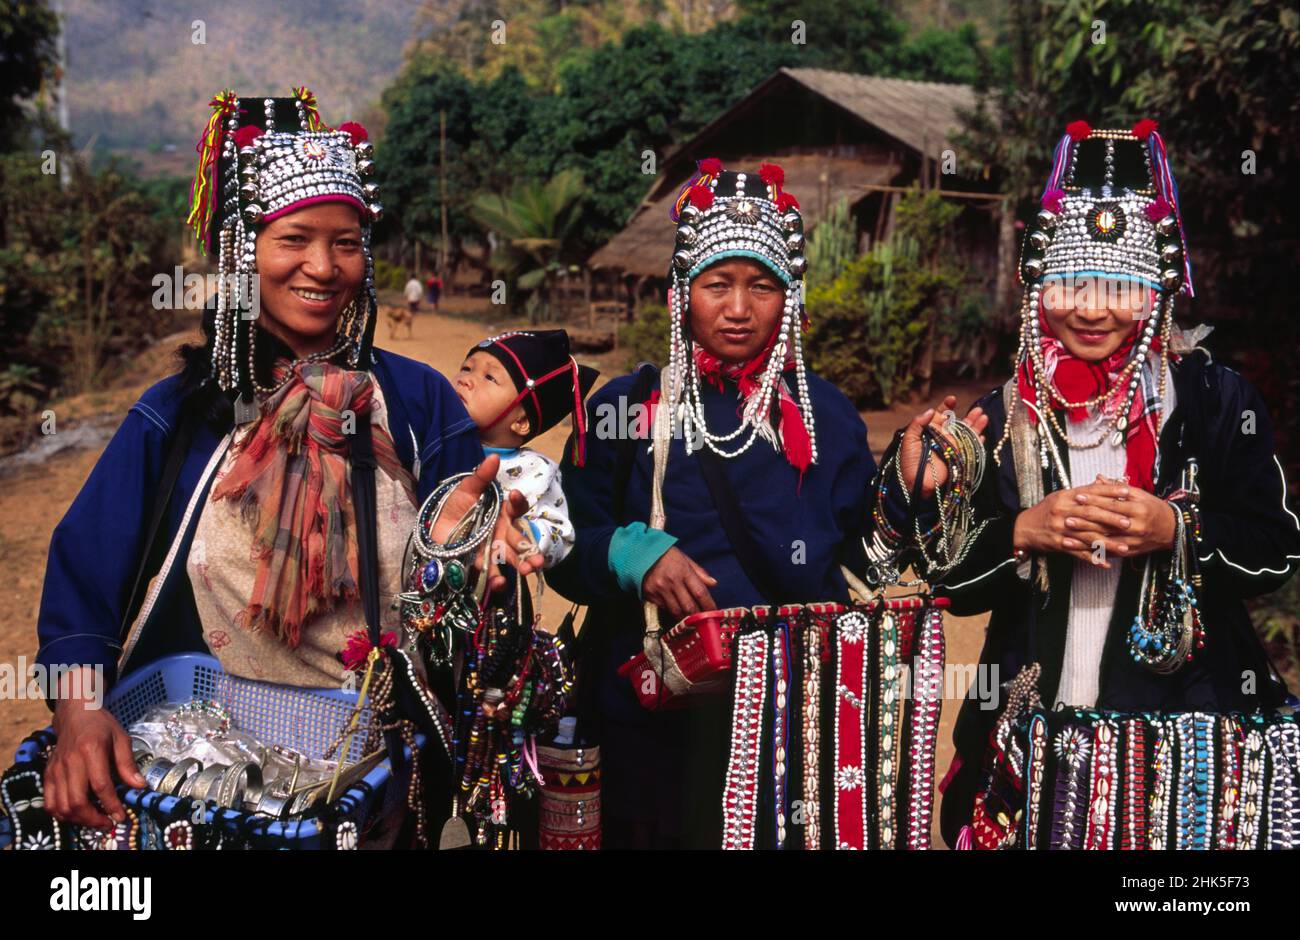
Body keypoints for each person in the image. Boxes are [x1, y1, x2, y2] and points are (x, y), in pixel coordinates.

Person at [34, 89, 541, 832]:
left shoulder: (418, 401)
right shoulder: (178, 417)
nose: (323, 266)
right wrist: (80, 712)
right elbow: (85, 584)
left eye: (345, 241)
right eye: (294, 238)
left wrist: (466, 550)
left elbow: (458, 591)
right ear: (244, 254)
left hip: (374, 780)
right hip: (204, 782)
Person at [547, 158, 984, 848]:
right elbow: (562, 546)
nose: (740, 308)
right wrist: (632, 552)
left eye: (763, 285)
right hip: (649, 722)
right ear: (681, 293)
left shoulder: (828, 417)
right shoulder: (628, 410)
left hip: (791, 727)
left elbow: (863, 561)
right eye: (717, 284)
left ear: (791, 296)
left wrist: (905, 487)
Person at [923, 120, 1300, 847]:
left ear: (1156, 288)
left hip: (1180, 731)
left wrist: (1177, 531)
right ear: (1038, 284)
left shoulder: (1214, 402)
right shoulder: (1003, 414)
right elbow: (952, 577)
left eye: (1120, 285)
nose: (1092, 308)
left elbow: (1277, 550)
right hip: (1032, 728)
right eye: (1070, 282)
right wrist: (1023, 534)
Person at [454, 330, 598, 569]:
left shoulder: (534, 471)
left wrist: (524, 534)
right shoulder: (430, 438)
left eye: (489, 377)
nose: (465, 379)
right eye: (467, 368)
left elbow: (560, 533)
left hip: (487, 596)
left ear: (521, 422)